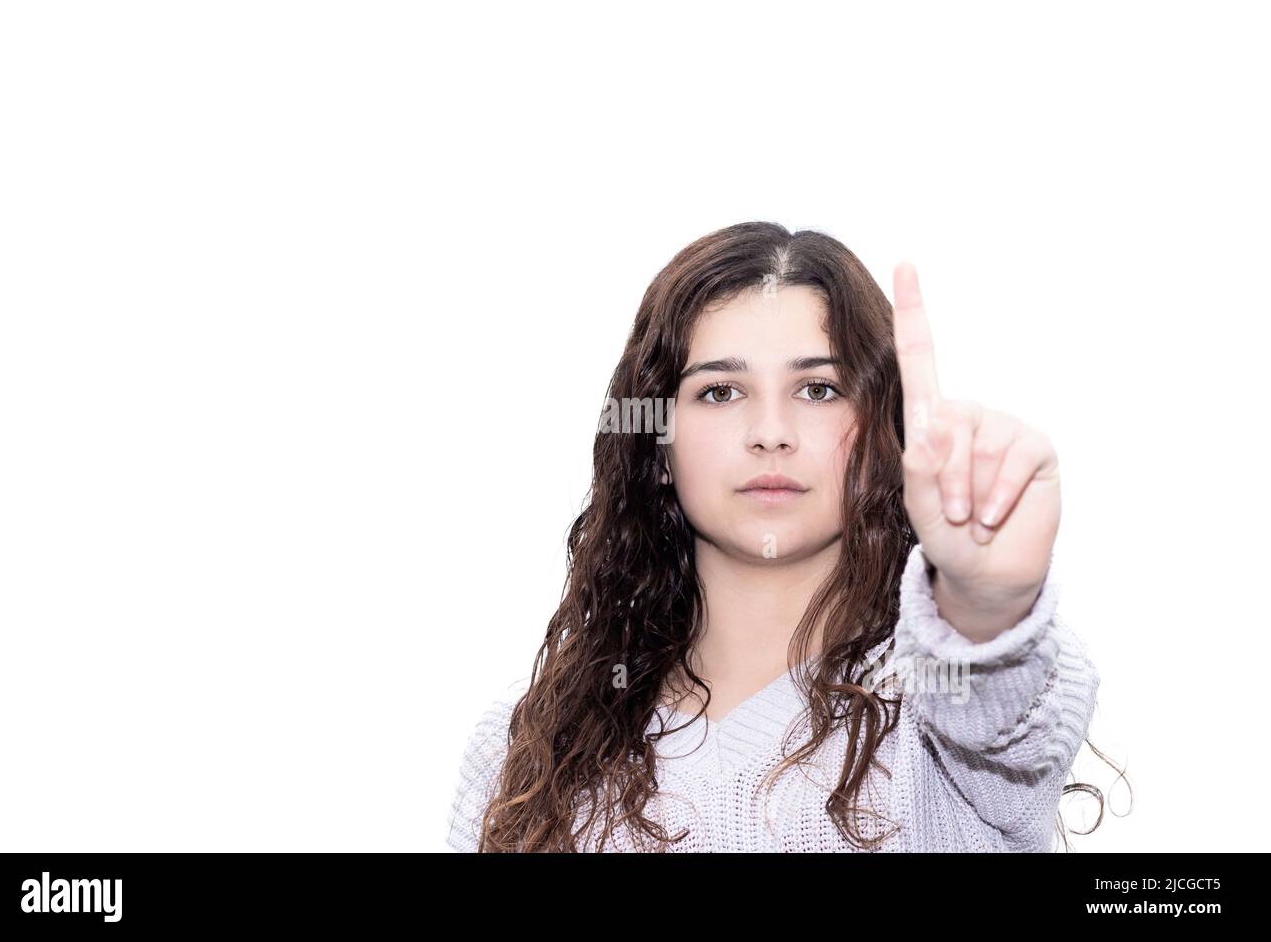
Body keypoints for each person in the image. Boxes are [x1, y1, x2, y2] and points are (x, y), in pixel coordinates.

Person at [445, 221, 1122, 852]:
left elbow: (1000, 705)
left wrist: (984, 601)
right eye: (720, 392)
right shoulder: (527, 751)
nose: (771, 432)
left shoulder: (941, 714)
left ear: (886, 431)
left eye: (819, 390)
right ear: (657, 440)